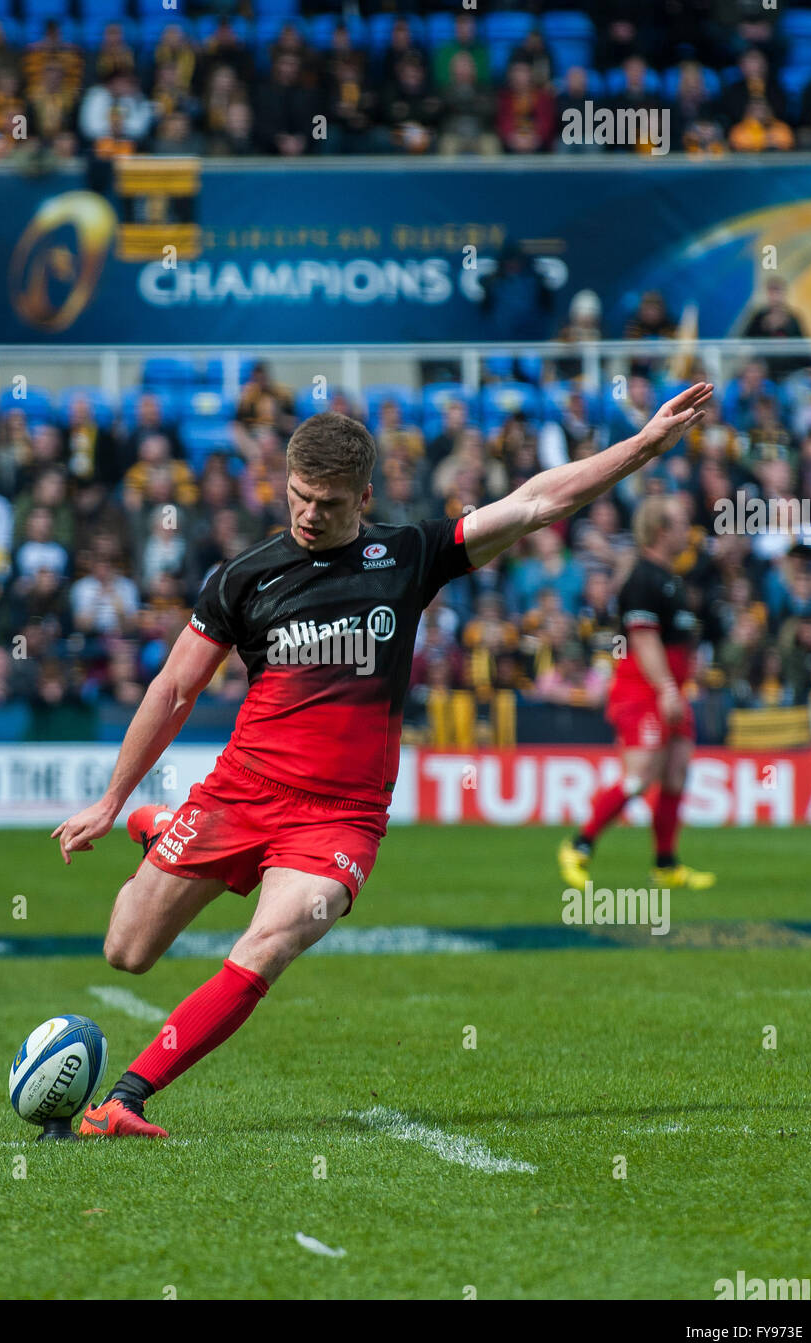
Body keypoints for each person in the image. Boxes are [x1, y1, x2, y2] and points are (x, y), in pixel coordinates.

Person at [54, 386, 713, 1139]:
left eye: (327, 504)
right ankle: (157, 823)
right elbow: (174, 686)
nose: (308, 515)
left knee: (278, 935)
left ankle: (127, 1099)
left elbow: (535, 503)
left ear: (363, 496)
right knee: (126, 951)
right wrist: (111, 801)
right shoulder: (242, 579)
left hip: (339, 816)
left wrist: (642, 445)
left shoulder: (408, 555)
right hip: (240, 791)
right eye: (299, 498)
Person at [559, 494, 717, 894]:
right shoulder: (643, 578)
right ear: (661, 530)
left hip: (669, 690)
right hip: (642, 691)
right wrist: (666, 688)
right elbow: (643, 640)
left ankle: (666, 864)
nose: (688, 532)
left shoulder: (670, 577)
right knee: (640, 776)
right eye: (681, 524)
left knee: (677, 770)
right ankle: (579, 845)